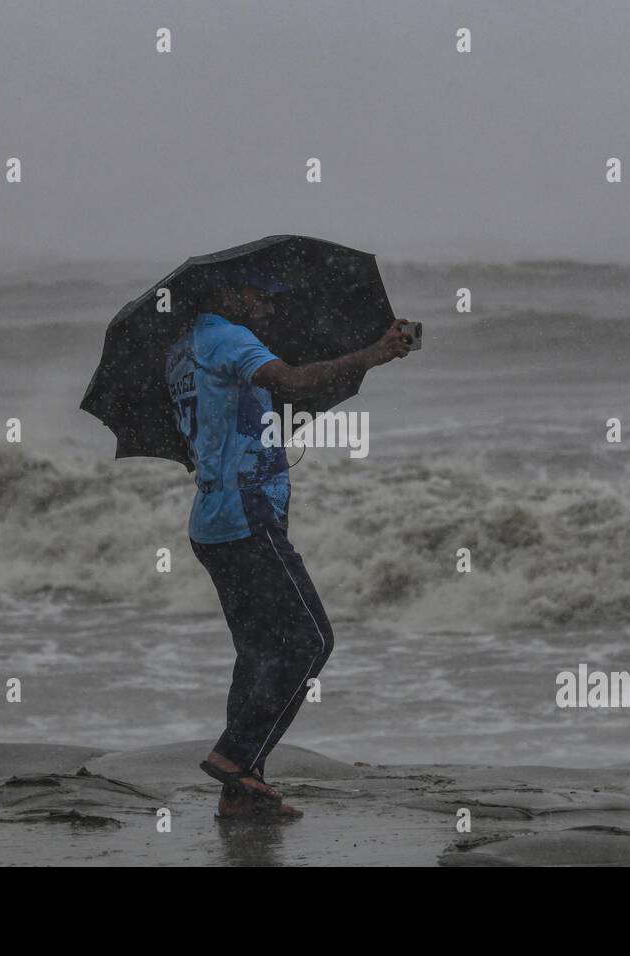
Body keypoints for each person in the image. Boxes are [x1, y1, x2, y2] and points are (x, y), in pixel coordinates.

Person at [165, 266, 412, 820]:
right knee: (310, 641)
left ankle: (240, 794)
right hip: (246, 516)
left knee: (256, 654)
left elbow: (224, 419)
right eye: (261, 295)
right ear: (228, 293)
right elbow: (294, 382)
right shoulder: (230, 338)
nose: (270, 307)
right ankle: (235, 760)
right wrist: (376, 353)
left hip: (210, 519)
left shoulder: (184, 349)